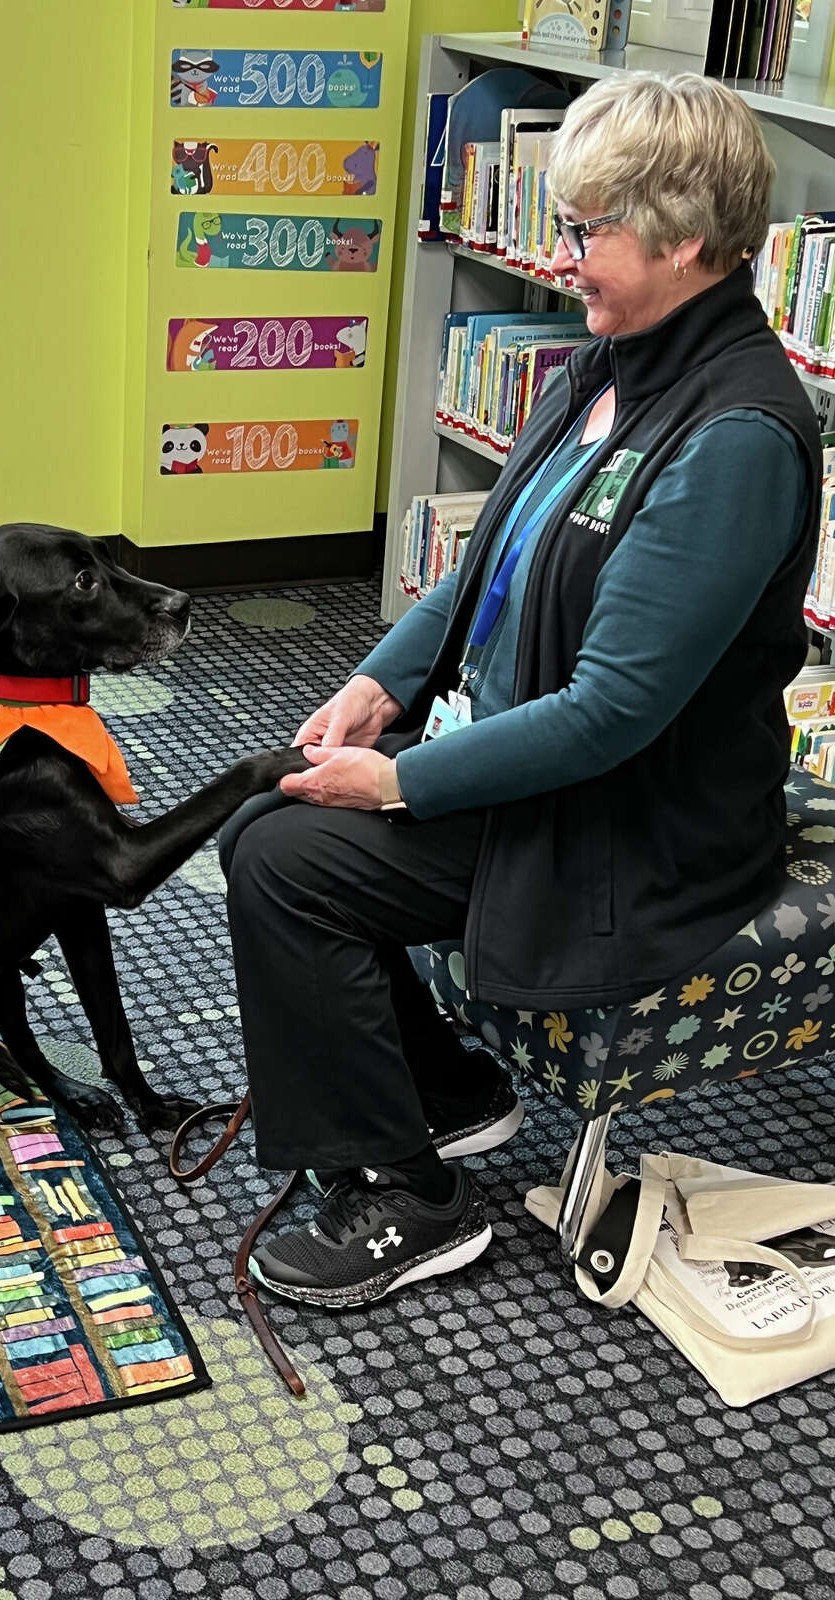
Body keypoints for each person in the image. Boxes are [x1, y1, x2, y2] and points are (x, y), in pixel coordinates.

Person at [217, 73, 822, 1310]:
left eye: (591, 228)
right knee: (264, 820)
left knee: (288, 863)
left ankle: (411, 1199)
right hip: (548, 769)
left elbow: (613, 714)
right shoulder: (612, 367)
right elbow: (494, 562)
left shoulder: (735, 437)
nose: (567, 255)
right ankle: (446, 1093)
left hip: (639, 827)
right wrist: (381, 687)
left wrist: (400, 782)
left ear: (686, 238)